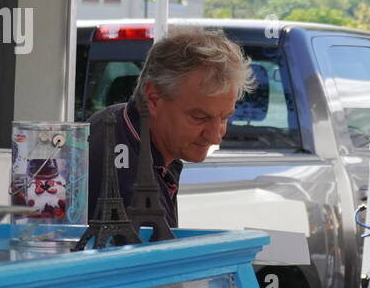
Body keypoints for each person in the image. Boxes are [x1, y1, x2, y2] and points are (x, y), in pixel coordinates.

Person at [87, 28, 254, 226]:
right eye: (199, 117)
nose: (215, 137)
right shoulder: (129, 180)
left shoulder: (113, 119)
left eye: (225, 118)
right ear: (153, 98)